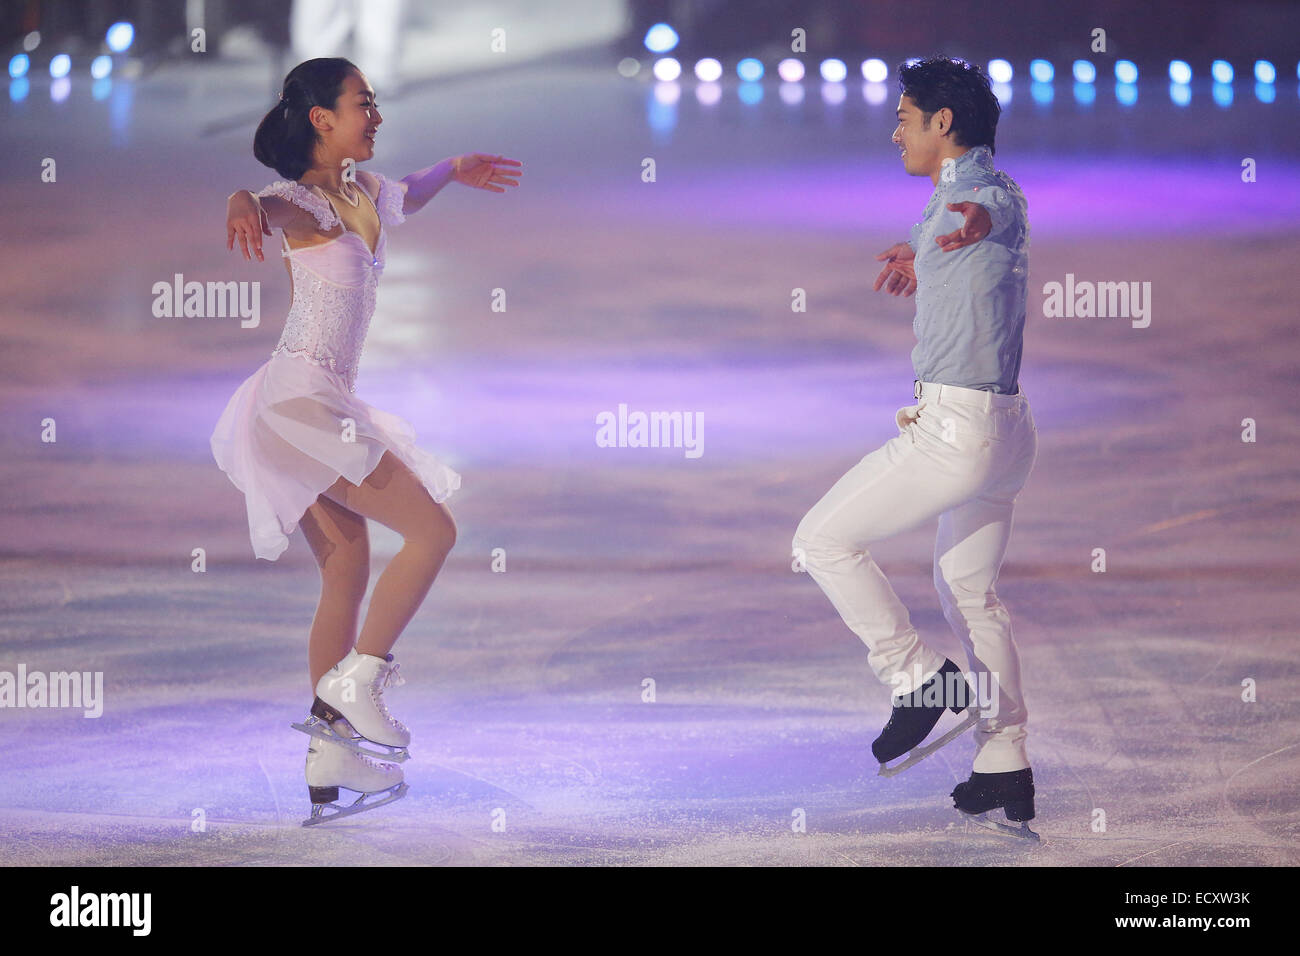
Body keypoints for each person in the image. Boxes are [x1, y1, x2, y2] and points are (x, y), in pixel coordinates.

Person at [212, 57, 522, 823]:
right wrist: (240, 201)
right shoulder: (307, 204)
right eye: (363, 105)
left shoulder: (363, 191)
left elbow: (407, 191)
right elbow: (262, 206)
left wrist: (453, 168)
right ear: (322, 119)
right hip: (301, 404)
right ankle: (360, 679)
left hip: (318, 402)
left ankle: (331, 751)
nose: (375, 116)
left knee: (347, 564)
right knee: (433, 531)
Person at [790, 55, 1038, 830]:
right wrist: (922, 258)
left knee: (821, 540)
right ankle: (1006, 759)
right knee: (970, 593)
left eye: (903, 118)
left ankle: (917, 678)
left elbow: (986, 209)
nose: (893, 130)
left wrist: (970, 226)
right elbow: (960, 230)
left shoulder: (979, 194)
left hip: (956, 432)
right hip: (1005, 432)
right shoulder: (951, 204)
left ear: (943, 124)